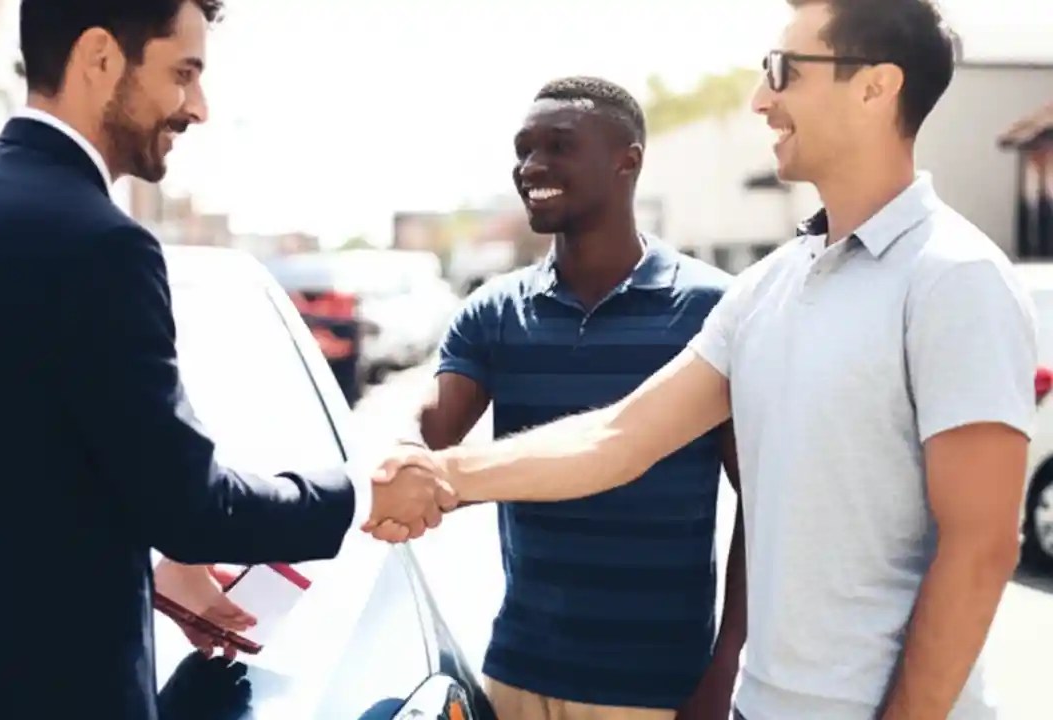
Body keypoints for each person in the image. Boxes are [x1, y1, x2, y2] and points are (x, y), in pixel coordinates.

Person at [367, 1, 1036, 719]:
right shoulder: (767, 288)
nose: (761, 100)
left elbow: (981, 546)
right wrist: (440, 471)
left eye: (783, 72)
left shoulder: (954, 275)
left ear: (875, 87)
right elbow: (616, 439)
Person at [0, 2, 449, 719]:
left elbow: (14, 466)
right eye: (183, 73)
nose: (198, 108)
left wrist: (143, 561)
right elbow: (194, 509)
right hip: (55, 691)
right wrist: (367, 493)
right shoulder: (102, 244)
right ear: (101, 57)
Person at [412, 76, 745, 720]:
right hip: (516, 676)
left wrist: (724, 671)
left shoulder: (715, 309)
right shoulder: (493, 312)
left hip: (655, 688)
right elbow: (430, 434)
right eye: (523, 149)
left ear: (628, 158)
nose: (532, 166)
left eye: (558, 146)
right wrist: (394, 453)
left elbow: (761, 510)